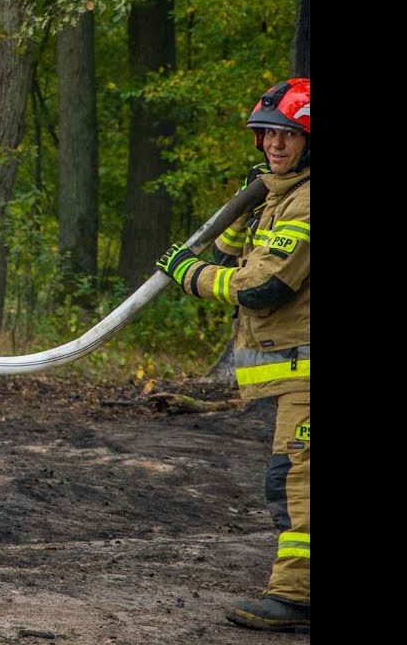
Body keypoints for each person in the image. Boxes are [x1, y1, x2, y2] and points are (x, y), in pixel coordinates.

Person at [155, 78, 310, 631]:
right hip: (294, 375)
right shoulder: (279, 195)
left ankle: (295, 599)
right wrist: (242, 213)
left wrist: (187, 274)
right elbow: (233, 254)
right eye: (267, 135)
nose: (274, 144)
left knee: (295, 484)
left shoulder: (307, 200)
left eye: (287, 136)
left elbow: (263, 286)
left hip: (306, 378)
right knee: (291, 479)